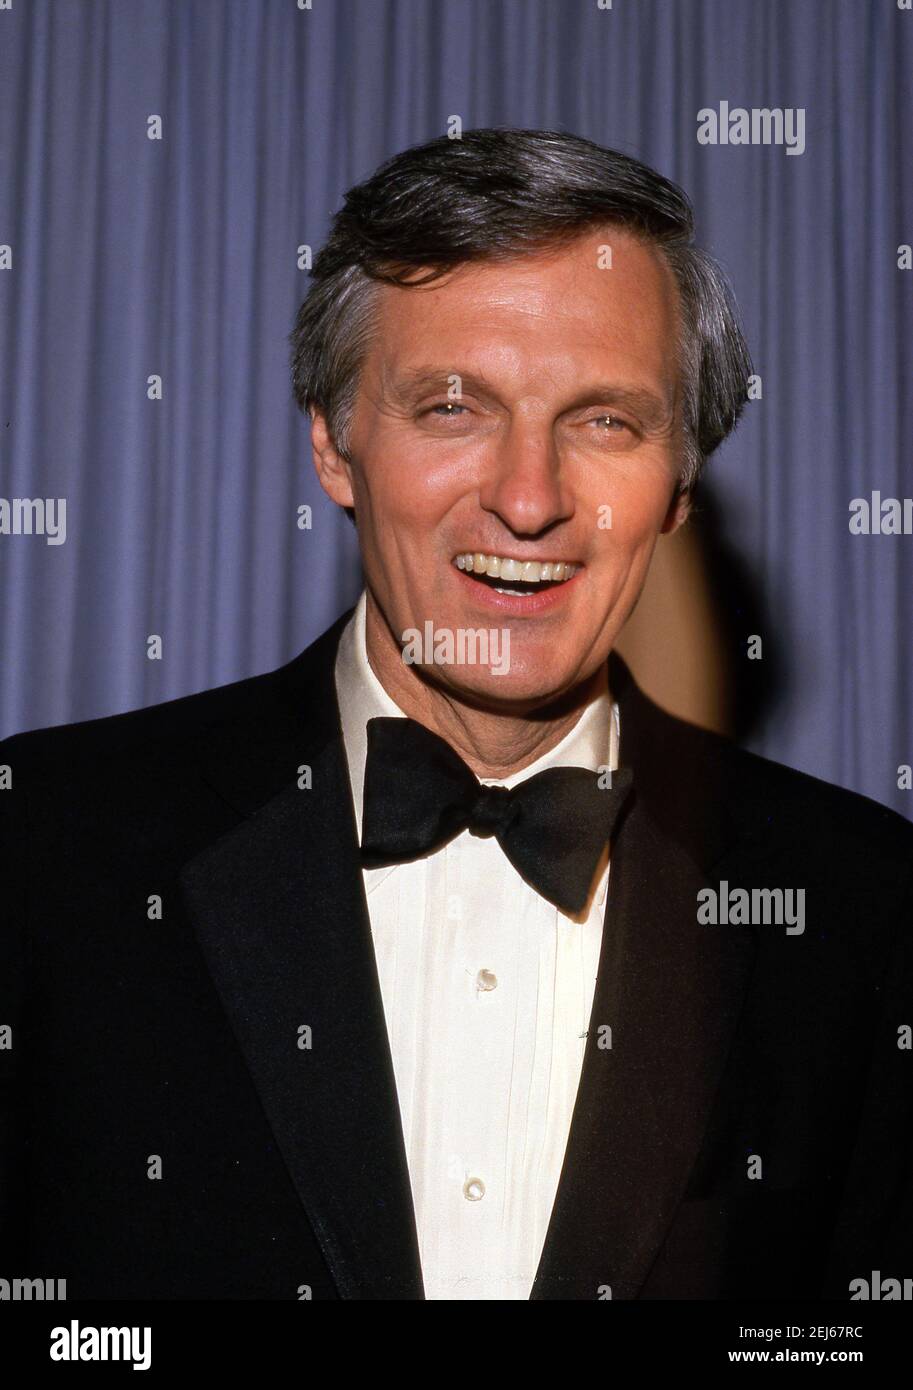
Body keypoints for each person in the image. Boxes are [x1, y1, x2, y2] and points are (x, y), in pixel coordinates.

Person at [1, 129, 910, 1301]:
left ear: (676, 486)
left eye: (603, 421)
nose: (526, 500)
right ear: (333, 442)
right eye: (450, 406)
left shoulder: (866, 912)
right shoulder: (47, 851)